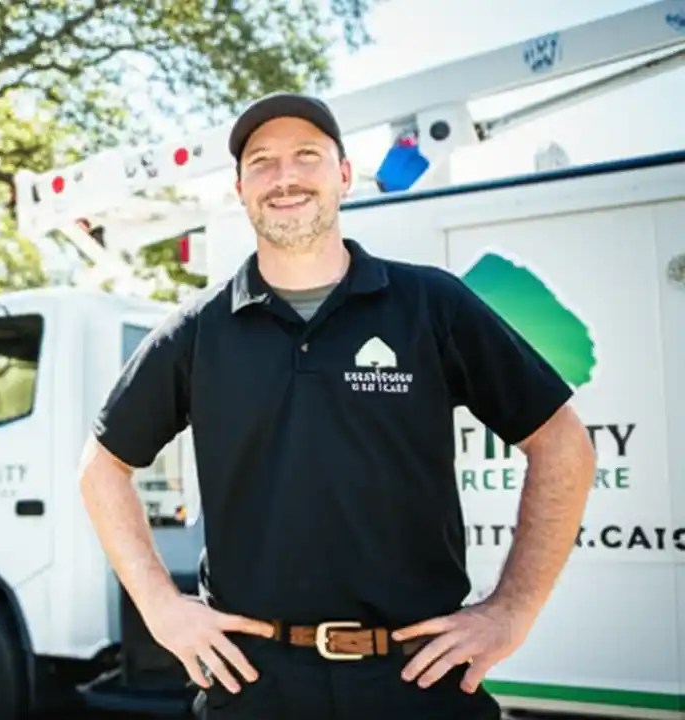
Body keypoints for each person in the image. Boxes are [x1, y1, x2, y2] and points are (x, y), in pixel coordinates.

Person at [76, 92, 597, 719]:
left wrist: (511, 610)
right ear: (240, 189)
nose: (285, 177)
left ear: (344, 175)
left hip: (418, 680)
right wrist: (160, 607)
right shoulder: (197, 331)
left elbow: (562, 442)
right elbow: (101, 468)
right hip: (253, 685)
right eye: (262, 162)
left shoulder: (430, 305)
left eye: (307, 156)